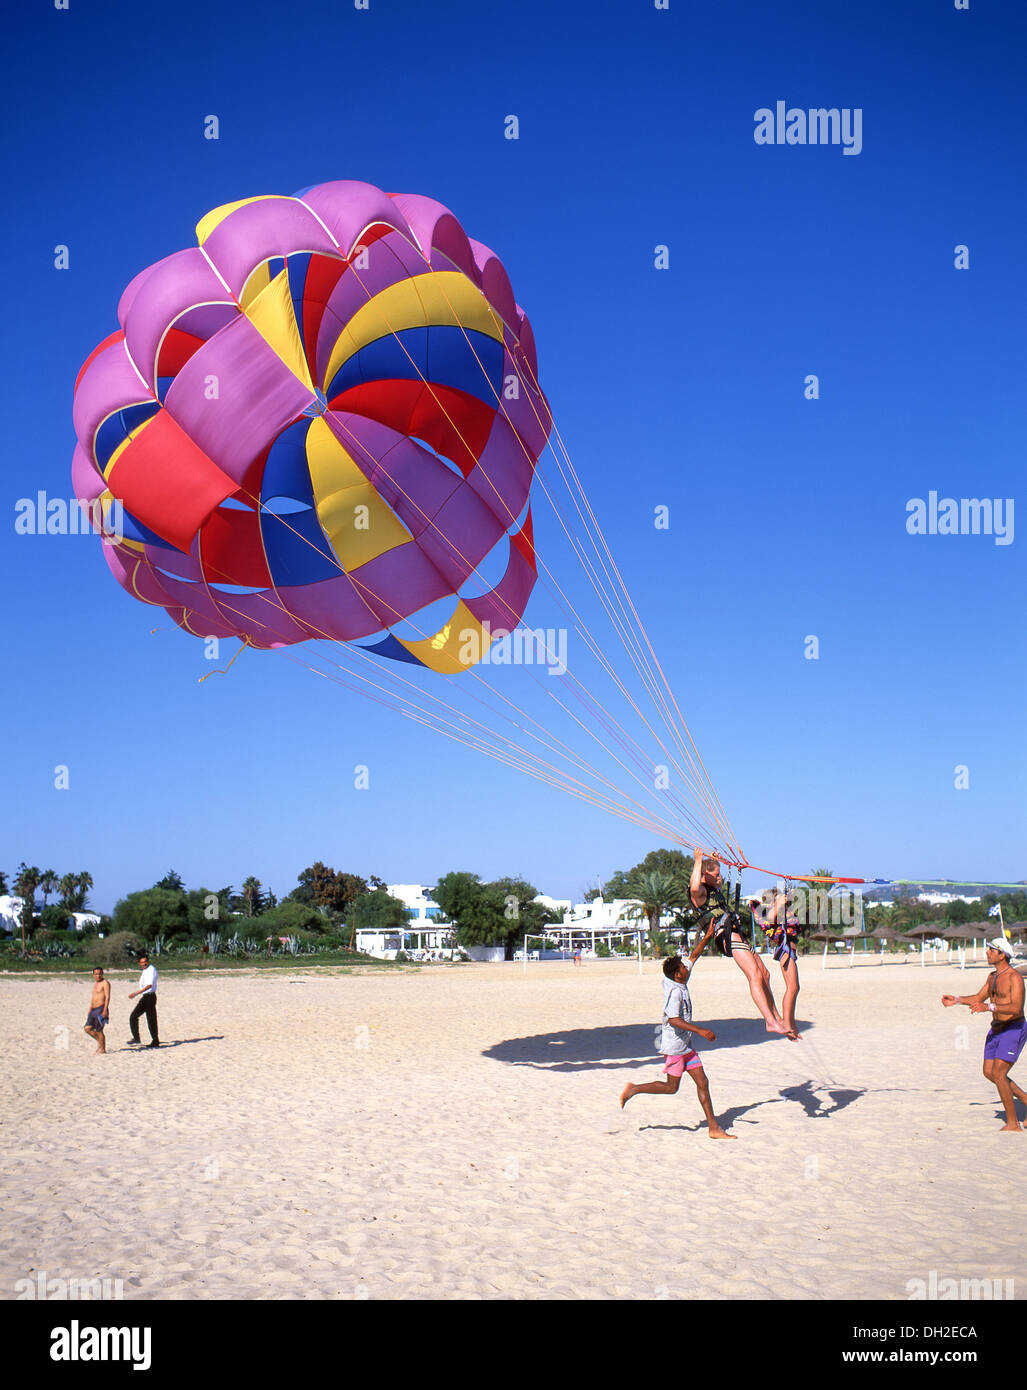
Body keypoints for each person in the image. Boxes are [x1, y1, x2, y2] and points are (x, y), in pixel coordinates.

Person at [619, 924, 735, 1139]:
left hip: (686, 1046)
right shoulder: (674, 992)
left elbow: (694, 955)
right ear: (677, 974)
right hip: (674, 1047)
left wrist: (708, 936)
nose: (686, 967)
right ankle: (633, 1089)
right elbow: (674, 1020)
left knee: (703, 1082)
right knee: (672, 1088)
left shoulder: (678, 979)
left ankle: (713, 1127)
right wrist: (700, 1030)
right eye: (683, 967)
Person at [690, 851, 793, 1038]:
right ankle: (769, 1022)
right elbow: (695, 886)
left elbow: (712, 876)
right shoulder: (701, 894)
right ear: (706, 875)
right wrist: (698, 861)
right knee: (753, 974)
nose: (720, 878)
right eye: (717, 875)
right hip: (725, 936)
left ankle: (776, 1016)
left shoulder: (714, 888)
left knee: (765, 974)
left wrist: (716, 860)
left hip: (736, 931)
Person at [943, 937, 1027, 1132]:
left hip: (1013, 1028)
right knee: (989, 1072)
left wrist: (988, 1006)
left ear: (1001, 955)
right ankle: (1024, 1099)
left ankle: (1013, 1123)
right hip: (996, 1028)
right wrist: (956, 1000)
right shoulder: (992, 977)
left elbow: (1016, 1008)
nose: (987, 953)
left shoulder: (1014, 977)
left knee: (999, 1073)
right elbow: (978, 998)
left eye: (990, 950)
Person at [751, 890, 801, 1036]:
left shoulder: (781, 912)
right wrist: (778, 903)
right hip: (785, 949)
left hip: (789, 951)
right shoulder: (772, 913)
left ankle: (790, 1023)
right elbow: (770, 918)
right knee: (792, 988)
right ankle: (788, 1023)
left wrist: (787, 898)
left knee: (794, 988)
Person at [127, 953, 160, 1048]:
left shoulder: (151, 970)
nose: (143, 964)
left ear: (148, 962)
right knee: (136, 1017)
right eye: (142, 963)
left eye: (145, 962)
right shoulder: (145, 970)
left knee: (149, 1018)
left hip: (149, 997)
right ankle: (139, 1038)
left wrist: (136, 993)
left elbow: (149, 985)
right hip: (146, 996)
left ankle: (153, 1040)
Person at [84, 967, 110, 1056]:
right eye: (96, 974)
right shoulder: (95, 983)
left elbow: (107, 997)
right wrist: (90, 1008)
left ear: (102, 974)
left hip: (101, 1009)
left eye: (100, 974)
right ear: (93, 975)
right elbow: (93, 997)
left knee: (99, 1030)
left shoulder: (105, 983)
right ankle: (100, 1043)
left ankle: (102, 1049)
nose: (98, 975)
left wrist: (105, 1010)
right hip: (93, 1009)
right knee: (87, 1028)